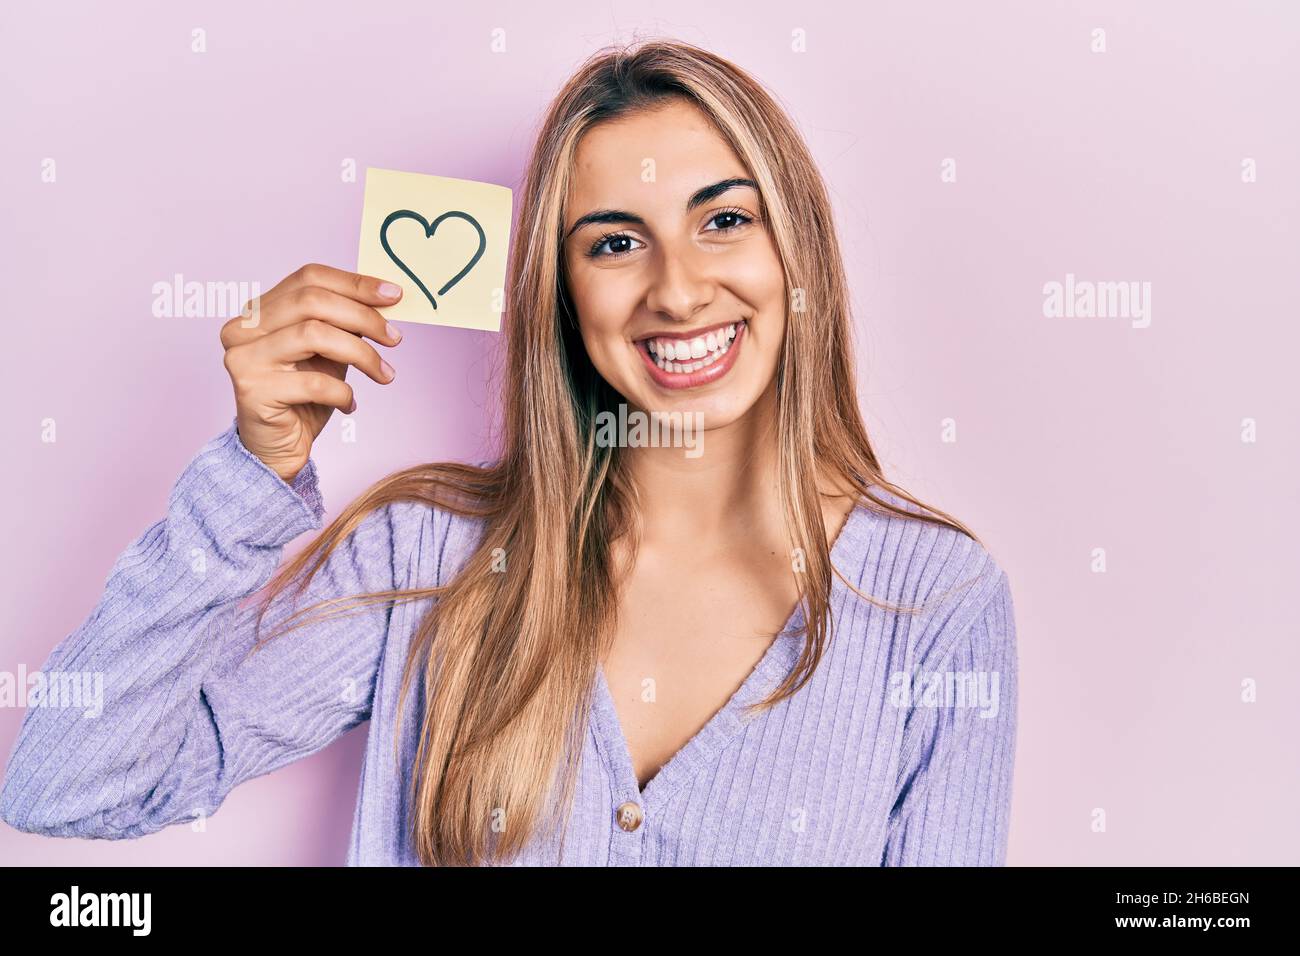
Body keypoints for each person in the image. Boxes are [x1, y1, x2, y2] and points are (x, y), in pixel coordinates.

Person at [0, 38, 1018, 866]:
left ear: (796, 248)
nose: (675, 288)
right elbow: (72, 782)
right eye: (615, 242)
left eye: (722, 220)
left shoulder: (933, 600)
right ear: (563, 296)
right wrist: (248, 477)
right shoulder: (429, 558)